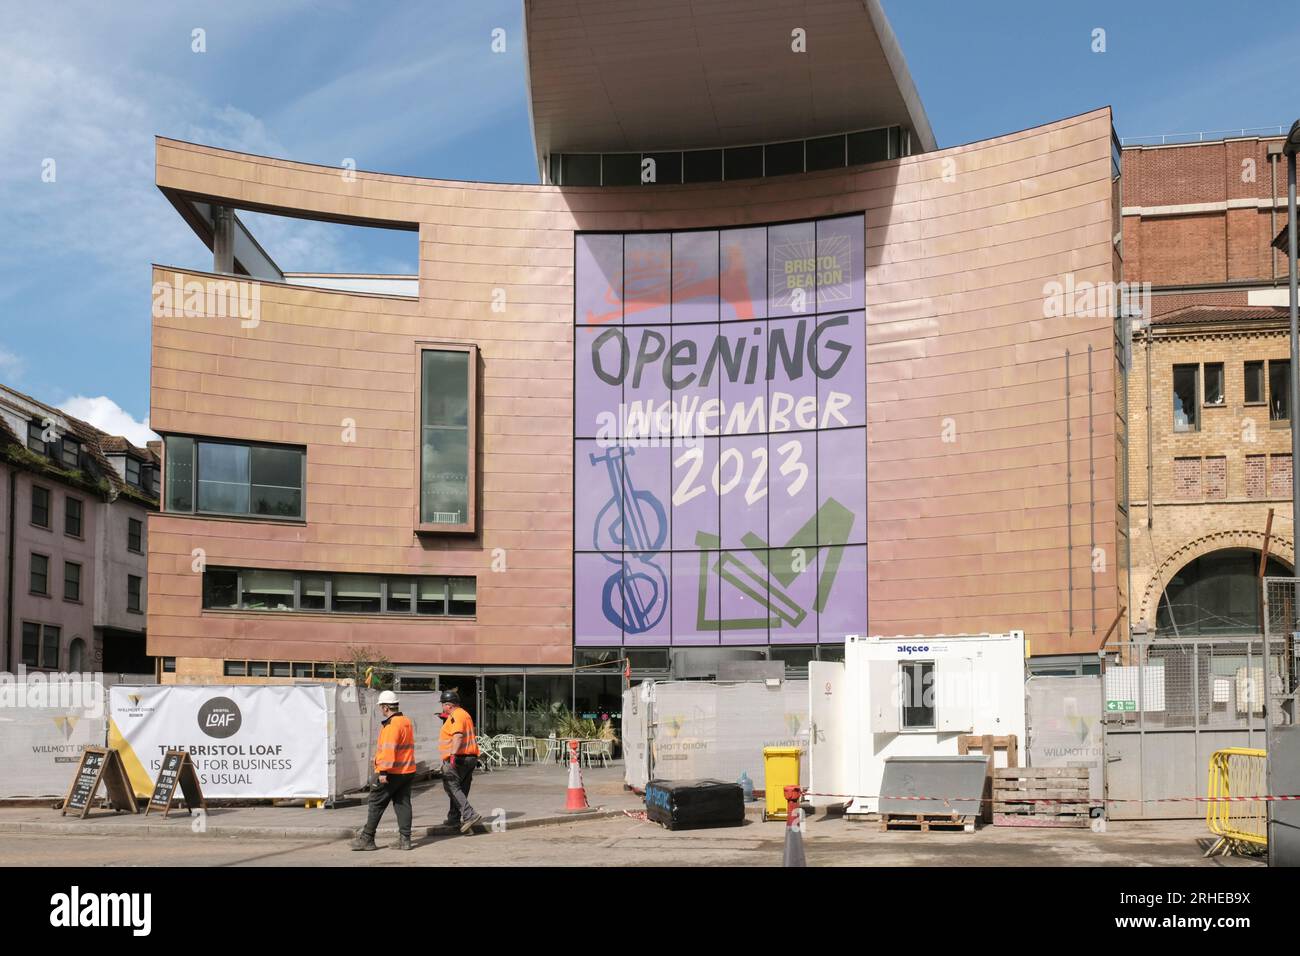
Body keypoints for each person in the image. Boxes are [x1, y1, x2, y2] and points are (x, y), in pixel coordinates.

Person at [352, 689, 417, 851]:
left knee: (375, 803)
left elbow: (389, 750)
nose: (381, 709)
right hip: (407, 771)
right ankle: (405, 840)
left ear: (386, 707)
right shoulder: (406, 721)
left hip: (391, 773)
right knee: (403, 804)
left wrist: (382, 772)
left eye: (381, 706)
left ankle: (367, 838)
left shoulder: (391, 725)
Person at [438, 689, 483, 832]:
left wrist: (452, 755)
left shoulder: (456, 716)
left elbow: (457, 736)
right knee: (460, 788)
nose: (442, 707)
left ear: (449, 705)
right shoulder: (464, 714)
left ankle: (470, 815)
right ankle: (454, 817)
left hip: (459, 757)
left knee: (452, 786)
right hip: (470, 757)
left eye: (443, 705)